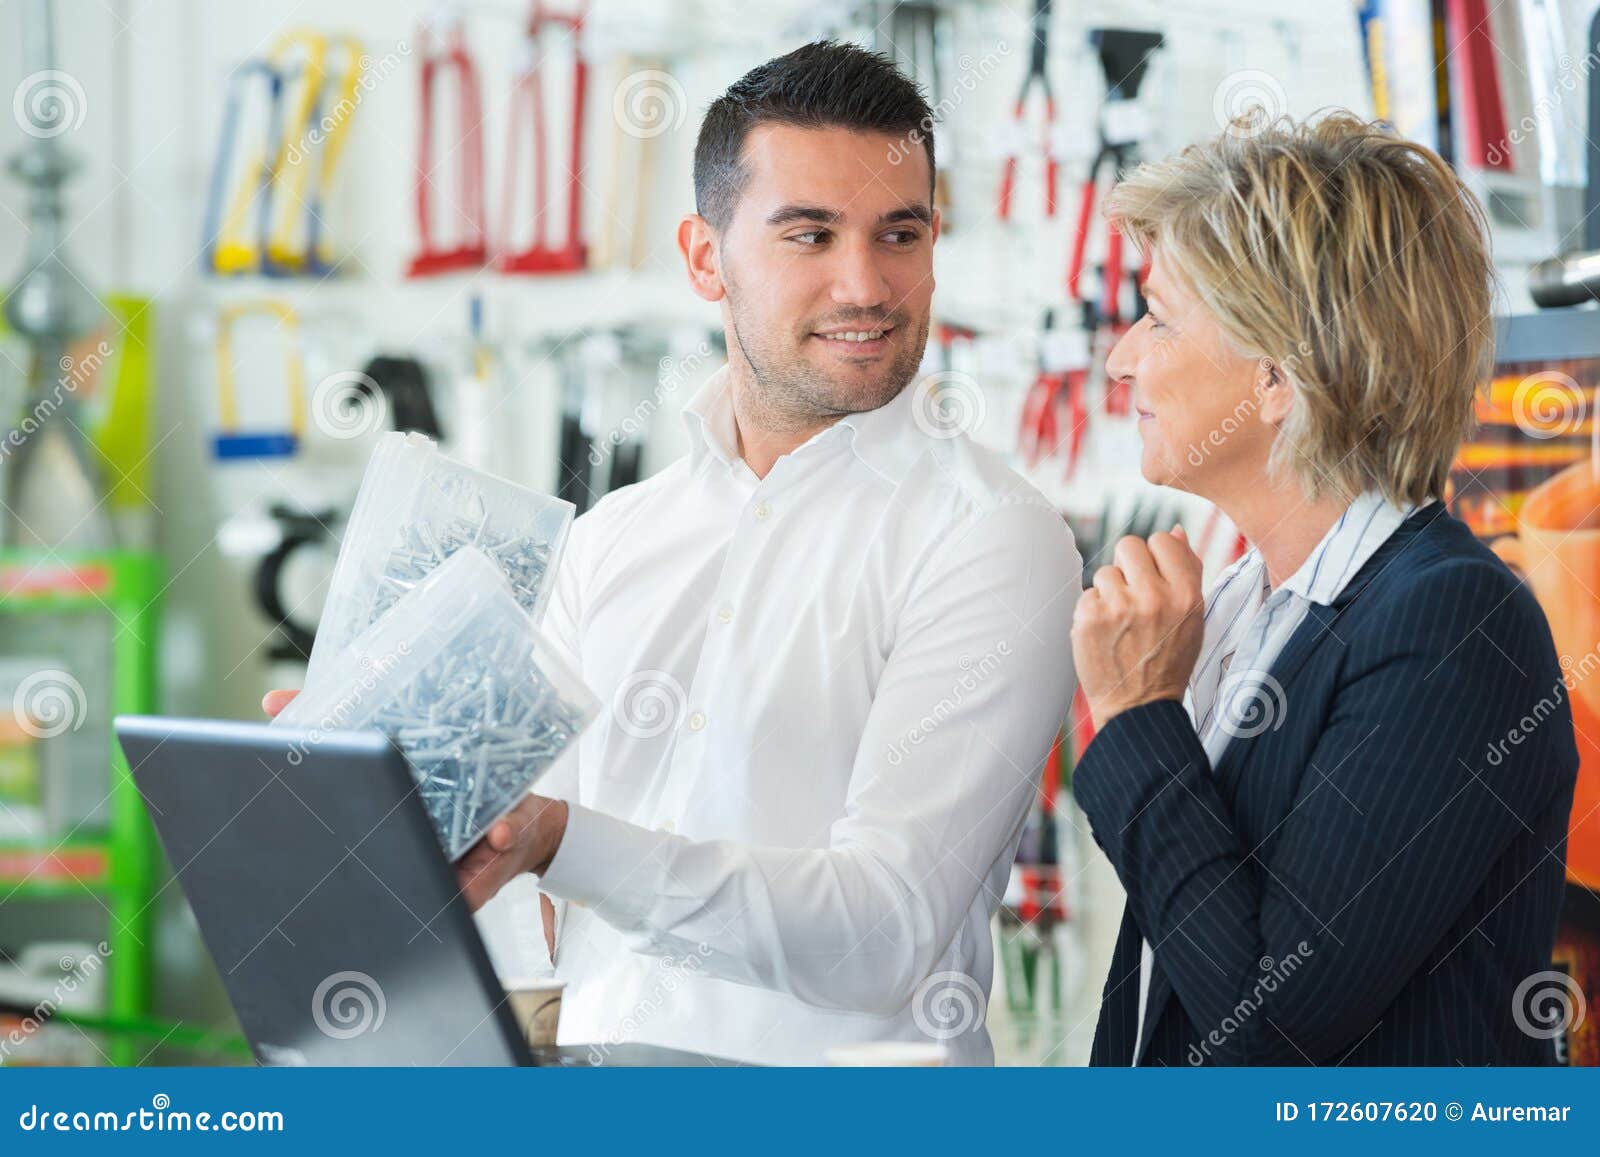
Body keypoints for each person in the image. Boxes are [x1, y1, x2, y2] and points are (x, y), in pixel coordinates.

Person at [269, 41, 1079, 1065]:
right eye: (809, 235)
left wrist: (560, 842)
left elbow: (882, 933)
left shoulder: (991, 538)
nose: (866, 282)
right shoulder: (613, 538)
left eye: (900, 233)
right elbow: (525, 891)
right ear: (706, 259)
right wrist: (375, 775)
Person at [1067, 112, 1581, 1065]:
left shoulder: (1452, 626)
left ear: (1276, 377)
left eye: (1161, 318)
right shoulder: (1251, 609)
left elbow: (1268, 1031)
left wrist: (1139, 713)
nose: (1121, 356)